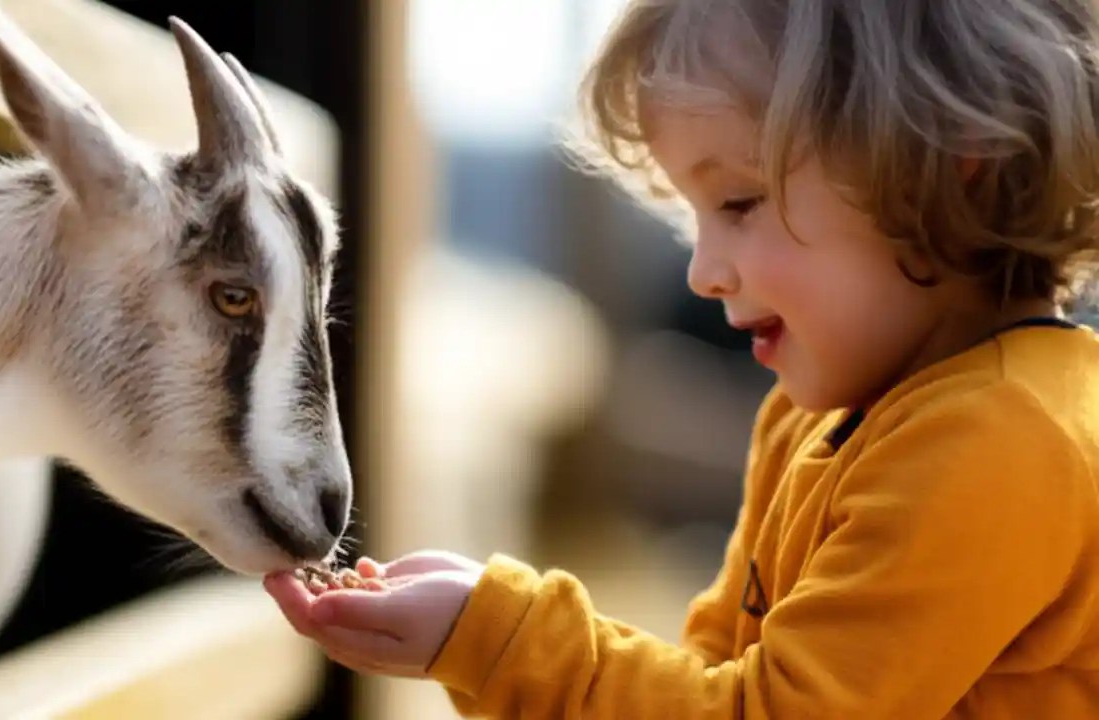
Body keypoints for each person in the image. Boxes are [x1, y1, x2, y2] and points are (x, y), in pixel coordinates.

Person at [265, 1, 1099, 716]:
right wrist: (480, 631)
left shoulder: (999, 443)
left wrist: (498, 640)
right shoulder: (821, 420)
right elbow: (707, 682)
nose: (703, 271)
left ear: (954, 171)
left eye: (739, 202)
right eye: (693, 216)